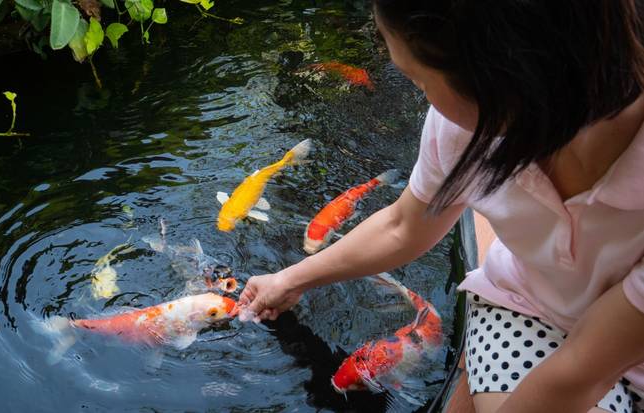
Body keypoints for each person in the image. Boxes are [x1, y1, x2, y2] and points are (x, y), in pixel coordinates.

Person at [237, 1, 644, 412]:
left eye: (418, 80)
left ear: (495, 77)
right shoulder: (462, 128)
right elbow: (403, 225)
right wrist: (289, 280)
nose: (424, 98)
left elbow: (580, 371)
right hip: (532, 305)